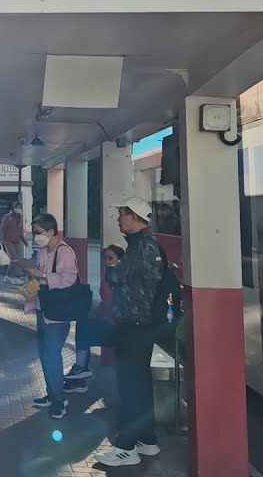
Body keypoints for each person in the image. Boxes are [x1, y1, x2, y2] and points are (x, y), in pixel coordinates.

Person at [97, 196, 165, 467]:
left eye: (122, 214)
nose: (118, 219)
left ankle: (126, 448)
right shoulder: (143, 245)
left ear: (136, 217)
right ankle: (147, 441)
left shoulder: (142, 248)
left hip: (135, 326)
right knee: (141, 385)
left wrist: (113, 269)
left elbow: (117, 277)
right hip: (141, 326)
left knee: (130, 388)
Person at [14, 212, 79, 419]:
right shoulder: (42, 251)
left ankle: (59, 401)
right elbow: (38, 273)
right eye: (34, 233)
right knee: (44, 354)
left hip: (58, 314)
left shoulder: (65, 252)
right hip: (44, 309)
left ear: (52, 232)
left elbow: (68, 279)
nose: (36, 236)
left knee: (52, 356)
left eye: (39, 232)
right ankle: (52, 395)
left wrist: (42, 275)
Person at [62, 244, 123, 394]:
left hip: (115, 324)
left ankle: (80, 369)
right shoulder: (110, 273)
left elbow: (113, 301)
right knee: (84, 328)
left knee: (83, 330)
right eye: (105, 258)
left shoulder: (116, 275)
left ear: (120, 259)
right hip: (108, 319)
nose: (107, 261)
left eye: (111, 258)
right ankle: (80, 372)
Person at [0, 201, 28, 284]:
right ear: (13, 208)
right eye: (16, 207)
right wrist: (1, 239)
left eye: (20, 208)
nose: (18, 209)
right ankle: (10, 277)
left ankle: (8, 276)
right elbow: (2, 228)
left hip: (16, 241)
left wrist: (25, 242)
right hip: (7, 241)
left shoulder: (21, 218)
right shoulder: (7, 217)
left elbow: (21, 231)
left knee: (14, 260)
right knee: (13, 259)